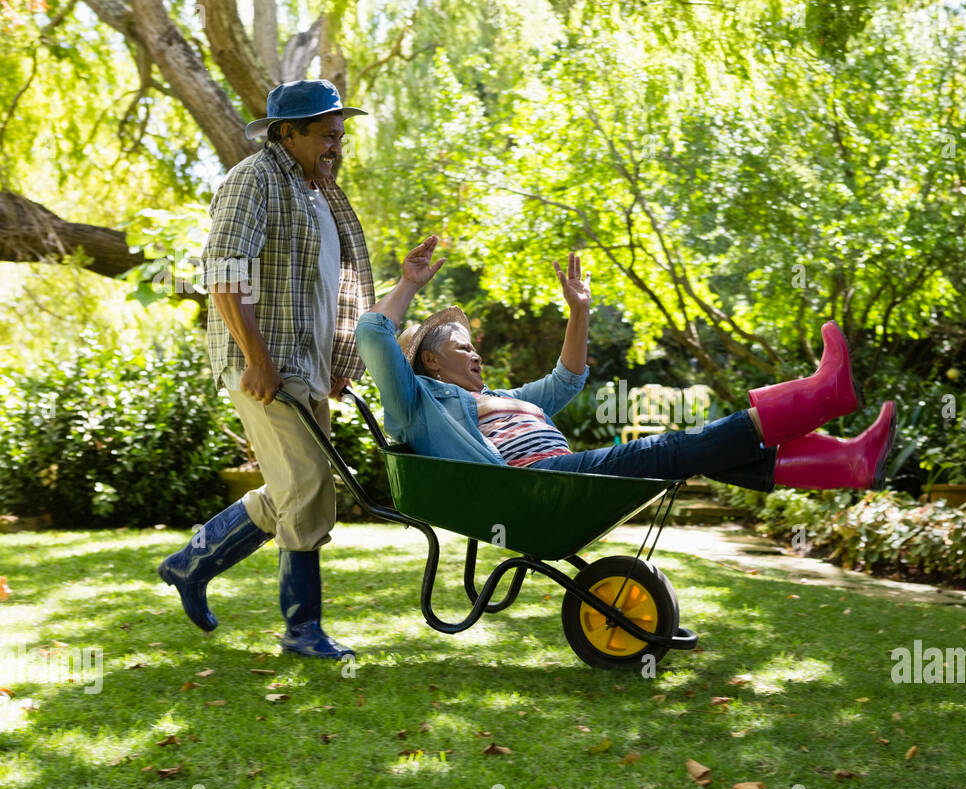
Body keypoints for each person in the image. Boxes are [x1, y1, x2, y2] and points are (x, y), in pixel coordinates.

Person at [158, 79, 427, 661]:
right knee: (307, 486)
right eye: (327, 134)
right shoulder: (252, 180)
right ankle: (302, 630)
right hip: (263, 365)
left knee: (293, 488)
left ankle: (190, 565)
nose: (337, 144)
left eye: (340, 135)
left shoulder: (318, 197)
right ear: (288, 132)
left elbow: (329, 291)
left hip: (304, 364)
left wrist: (337, 359)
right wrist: (257, 359)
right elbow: (225, 272)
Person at [353, 241, 897, 492]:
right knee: (673, 447)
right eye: (462, 347)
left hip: (561, 475)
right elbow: (373, 333)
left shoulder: (507, 399)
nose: (476, 355)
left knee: (704, 456)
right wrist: (409, 284)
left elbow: (567, 378)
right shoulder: (418, 405)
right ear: (428, 360)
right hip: (527, 487)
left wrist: (580, 312)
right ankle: (821, 397)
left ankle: (846, 464)